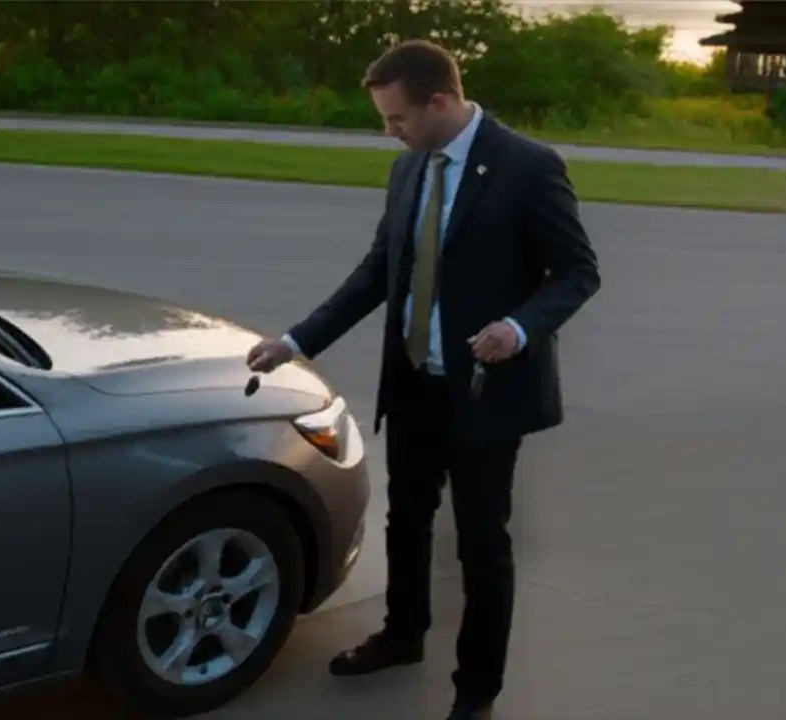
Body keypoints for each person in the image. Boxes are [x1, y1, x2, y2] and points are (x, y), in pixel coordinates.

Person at [246, 40, 600, 720]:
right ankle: (402, 635)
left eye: (396, 117)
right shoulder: (409, 172)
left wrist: (520, 328)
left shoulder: (529, 167)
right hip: (413, 381)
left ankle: (476, 689)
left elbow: (579, 272)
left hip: (484, 392)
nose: (390, 132)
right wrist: (294, 341)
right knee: (405, 518)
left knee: (481, 543)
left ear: (440, 101)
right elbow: (378, 272)